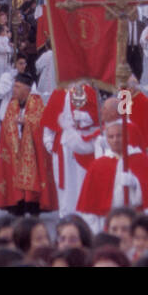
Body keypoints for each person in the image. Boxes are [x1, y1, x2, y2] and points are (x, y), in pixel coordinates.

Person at [75, 120, 148, 234]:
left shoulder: (142, 161)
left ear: (127, 136)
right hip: (108, 223)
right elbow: (89, 204)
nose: (115, 140)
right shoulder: (98, 165)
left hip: (136, 222)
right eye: (111, 137)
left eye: (119, 135)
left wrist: (136, 185)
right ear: (106, 139)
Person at [0, 72, 55, 215]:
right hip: (15, 148)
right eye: (14, 86)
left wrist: (27, 122)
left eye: (17, 87)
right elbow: (7, 123)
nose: (14, 89)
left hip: (31, 149)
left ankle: (32, 207)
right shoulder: (12, 103)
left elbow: (40, 121)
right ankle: (16, 206)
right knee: (13, 174)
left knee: (33, 176)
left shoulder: (36, 102)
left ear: (27, 89)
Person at [40, 82, 100, 218]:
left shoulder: (88, 90)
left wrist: (83, 117)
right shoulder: (58, 92)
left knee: (81, 178)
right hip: (62, 145)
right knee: (63, 182)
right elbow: (49, 119)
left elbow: (98, 117)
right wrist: (47, 140)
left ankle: (84, 213)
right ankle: (65, 214)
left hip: (82, 143)